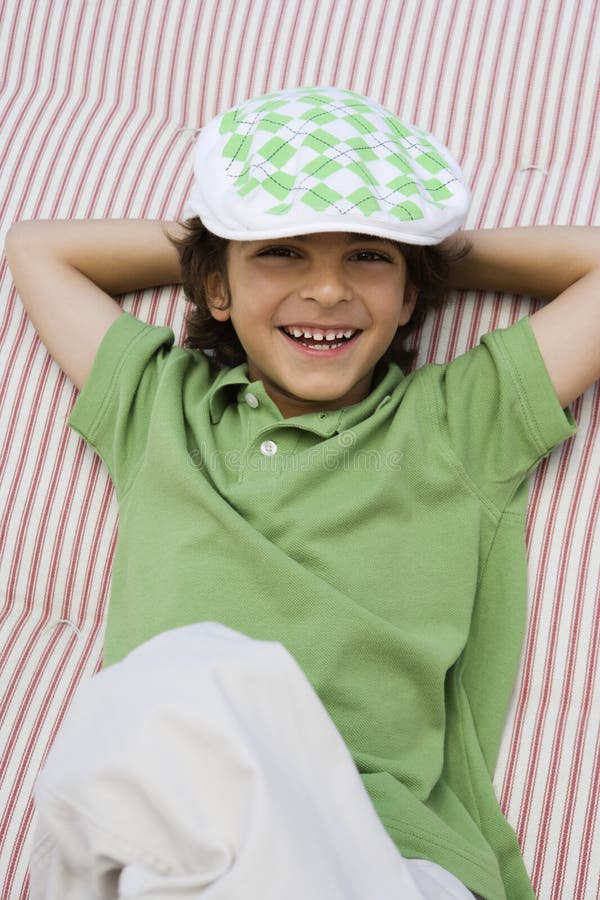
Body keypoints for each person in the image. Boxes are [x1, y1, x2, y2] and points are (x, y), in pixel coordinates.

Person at [5, 86, 599, 900]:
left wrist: (425, 248)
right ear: (214, 289)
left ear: (412, 294)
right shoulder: (162, 412)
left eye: (367, 256)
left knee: (174, 679)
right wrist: (219, 238)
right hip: (168, 827)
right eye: (283, 251)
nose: (327, 291)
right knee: (157, 695)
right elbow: (37, 248)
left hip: (382, 852)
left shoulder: (457, 423)